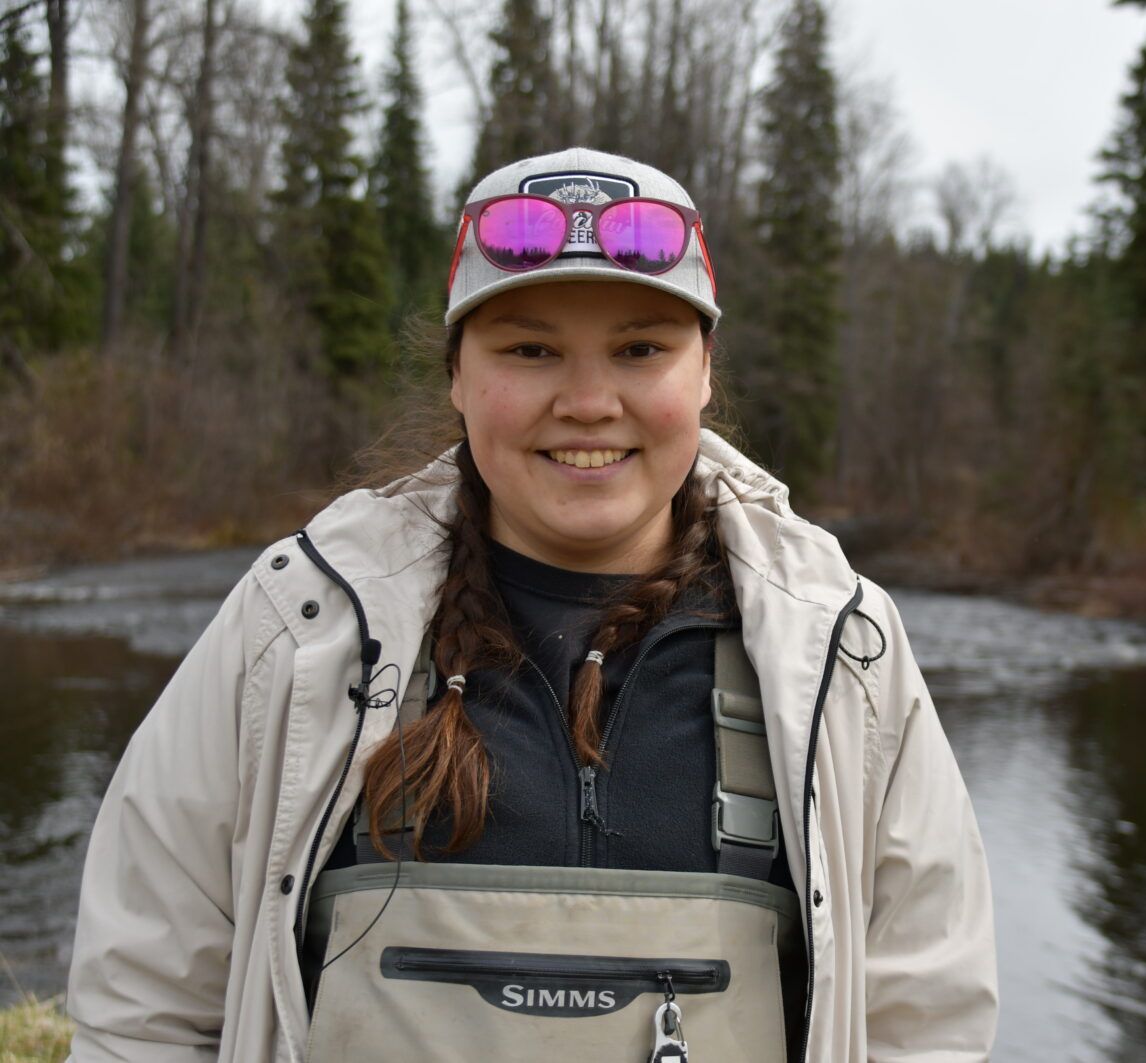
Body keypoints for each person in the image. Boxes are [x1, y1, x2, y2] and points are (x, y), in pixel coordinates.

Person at [64, 146, 998, 1062]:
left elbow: (927, 1019)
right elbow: (141, 1002)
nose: (589, 400)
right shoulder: (294, 623)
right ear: (459, 376)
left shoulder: (842, 650)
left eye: (640, 348)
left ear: (704, 372)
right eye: (530, 349)